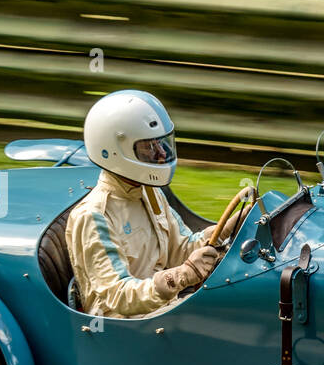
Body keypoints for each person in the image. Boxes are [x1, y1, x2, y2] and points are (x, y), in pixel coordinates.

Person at [65, 90, 239, 318]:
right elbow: (118, 295)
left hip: (159, 311)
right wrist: (182, 276)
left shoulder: (149, 192)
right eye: (149, 146)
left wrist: (229, 227)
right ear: (117, 151)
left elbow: (181, 249)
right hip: (123, 326)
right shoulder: (94, 215)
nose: (160, 154)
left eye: (161, 144)